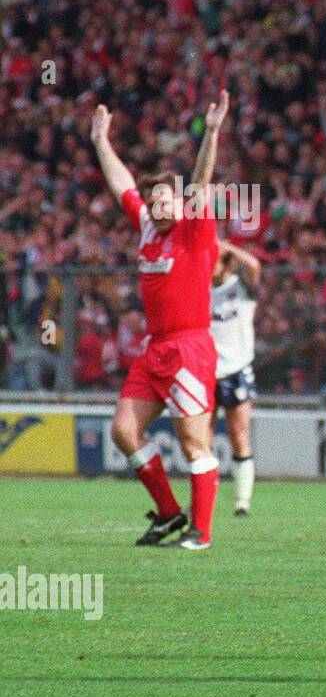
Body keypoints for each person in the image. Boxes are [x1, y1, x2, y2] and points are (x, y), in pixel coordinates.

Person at [92, 90, 229, 551]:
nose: (158, 206)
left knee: (193, 441)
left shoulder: (194, 228)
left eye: (166, 200)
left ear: (181, 203)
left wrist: (211, 132)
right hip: (156, 348)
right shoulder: (149, 225)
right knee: (124, 431)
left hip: (190, 347)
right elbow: (120, 185)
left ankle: (202, 532)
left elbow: (205, 180)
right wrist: (100, 141)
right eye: (154, 201)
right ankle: (170, 514)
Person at [210, 238, 260, 517]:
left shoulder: (241, 289)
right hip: (207, 371)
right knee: (201, 439)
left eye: (215, 260)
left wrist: (224, 244)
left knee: (238, 435)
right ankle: (203, 499)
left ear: (226, 263)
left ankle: (242, 501)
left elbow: (253, 265)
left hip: (236, 369)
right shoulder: (202, 290)